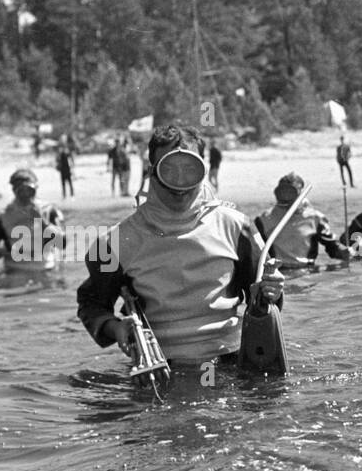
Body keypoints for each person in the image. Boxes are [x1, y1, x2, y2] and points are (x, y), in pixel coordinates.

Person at [76, 123, 278, 370]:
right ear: (152, 172)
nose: (180, 185)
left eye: (189, 170)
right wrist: (115, 327)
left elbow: (268, 301)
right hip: (160, 368)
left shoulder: (236, 226)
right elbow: (92, 304)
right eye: (170, 170)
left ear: (202, 170)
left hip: (231, 362)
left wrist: (272, 291)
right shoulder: (115, 241)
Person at [254, 172, 347, 269]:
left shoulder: (315, 218)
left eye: (291, 193)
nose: (287, 197)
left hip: (307, 273)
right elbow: (254, 253)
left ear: (300, 194)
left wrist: (348, 253)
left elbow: (333, 248)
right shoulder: (263, 220)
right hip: (277, 273)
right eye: (283, 193)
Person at [0, 168, 66, 273]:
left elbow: (62, 243)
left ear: (36, 188)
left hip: (46, 269)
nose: (26, 195)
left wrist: (42, 220)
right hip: (14, 270)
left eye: (29, 191)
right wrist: (8, 251)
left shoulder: (49, 210)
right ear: (14, 191)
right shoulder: (2, 215)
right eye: (21, 191)